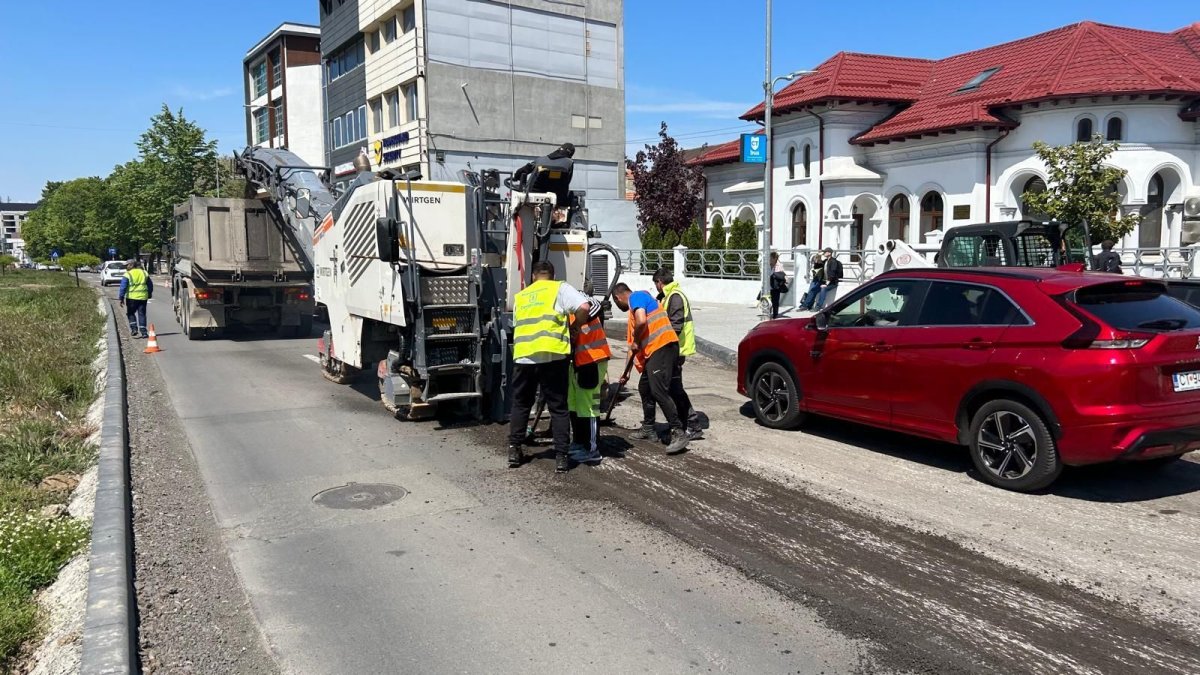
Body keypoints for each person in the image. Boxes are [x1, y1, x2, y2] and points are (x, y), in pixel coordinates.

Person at [508, 261, 593, 473]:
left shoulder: (522, 296)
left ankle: (514, 449)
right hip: (553, 355)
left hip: (524, 356)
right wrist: (575, 326)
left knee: (521, 403)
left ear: (534, 277)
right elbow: (584, 307)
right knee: (558, 407)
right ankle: (562, 457)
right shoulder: (559, 288)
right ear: (552, 275)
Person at [612, 283, 690, 455]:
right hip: (654, 351)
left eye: (616, 303)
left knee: (658, 391)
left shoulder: (637, 297)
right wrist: (626, 373)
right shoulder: (633, 313)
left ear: (618, 298)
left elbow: (642, 322)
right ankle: (648, 428)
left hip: (662, 347)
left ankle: (678, 432)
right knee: (645, 388)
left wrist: (636, 340)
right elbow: (632, 348)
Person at [651, 268, 702, 439]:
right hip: (673, 349)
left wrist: (665, 346)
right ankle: (685, 423)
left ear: (660, 282)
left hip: (675, 350)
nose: (656, 288)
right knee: (673, 388)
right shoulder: (669, 295)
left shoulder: (675, 296)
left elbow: (675, 325)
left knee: (675, 389)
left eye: (656, 284)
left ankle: (692, 425)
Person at [567, 305, 611, 465]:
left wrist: (575, 325)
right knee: (573, 404)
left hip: (592, 360)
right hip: (577, 362)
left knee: (589, 406)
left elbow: (594, 305)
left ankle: (592, 449)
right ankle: (579, 442)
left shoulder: (578, 301)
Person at [511, 143, 576, 208]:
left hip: (533, 197)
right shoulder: (569, 163)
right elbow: (567, 181)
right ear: (570, 154)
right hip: (558, 201)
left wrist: (516, 176)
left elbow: (525, 169)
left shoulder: (540, 160)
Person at [119, 258, 152, 338]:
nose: (126, 267)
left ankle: (134, 329)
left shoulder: (127, 274)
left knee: (131, 313)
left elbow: (123, 287)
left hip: (131, 298)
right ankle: (144, 332)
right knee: (142, 314)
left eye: (126, 266)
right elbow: (150, 285)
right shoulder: (144, 273)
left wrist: (121, 297)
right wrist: (149, 293)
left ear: (131, 265)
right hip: (143, 297)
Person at [768, 252, 789, 319]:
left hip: (776, 286)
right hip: (769, 285)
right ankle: (768, 313)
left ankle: (775, 314)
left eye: (771, 258)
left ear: (775, 258)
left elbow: (782, 275)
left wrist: (785, 279)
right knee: (769, 300)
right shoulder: (768, 265)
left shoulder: (779, 265)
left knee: (775, 301)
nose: (770, 259)